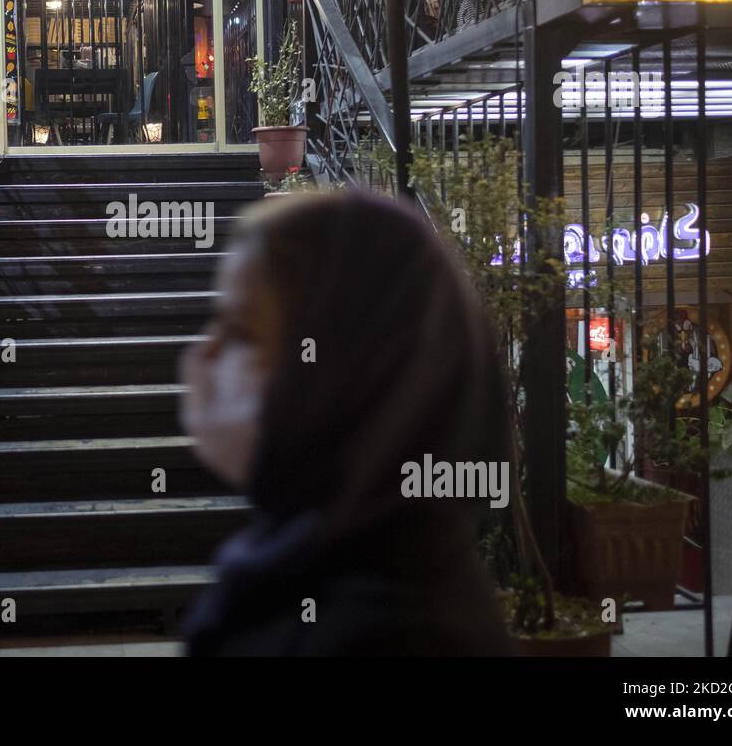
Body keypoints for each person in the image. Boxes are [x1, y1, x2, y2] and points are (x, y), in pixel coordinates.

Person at [179, 190, 512, 655]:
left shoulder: (386, 635)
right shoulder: (315, 561)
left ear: (343, 369)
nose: (204, 354)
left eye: (241, 332)